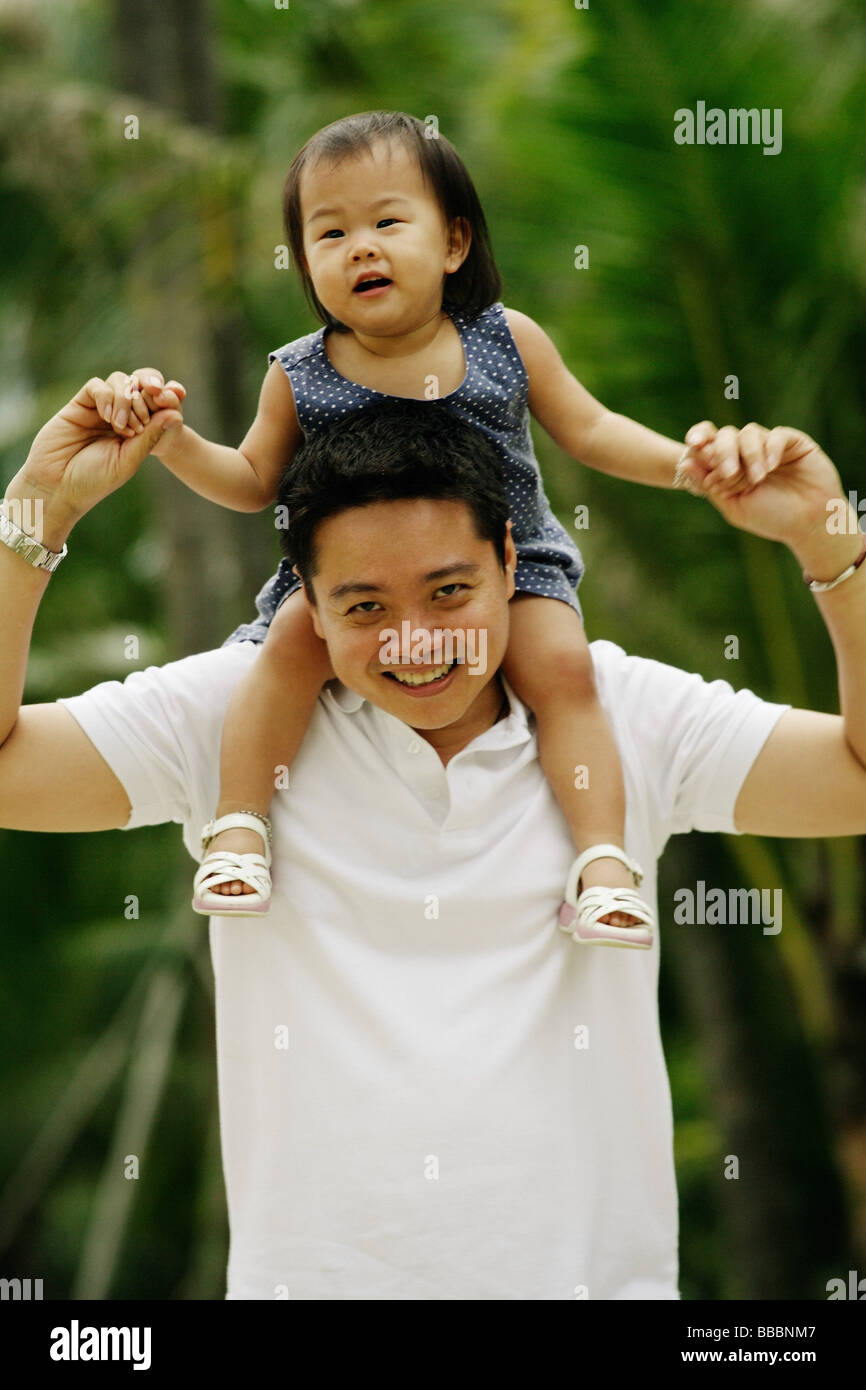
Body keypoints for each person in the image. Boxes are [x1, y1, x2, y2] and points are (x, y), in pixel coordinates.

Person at [0, 382, 863, 1300]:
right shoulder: (230, 715)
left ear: (507, 560)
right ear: (309, 602)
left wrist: (832, 548)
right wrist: (36, 516)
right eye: (364, 607)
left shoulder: (625, 718)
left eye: (450, 592)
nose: (417, 643)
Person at [95, 109, 780, 944]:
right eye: (330, 232)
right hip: (350, 590)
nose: (362, 247)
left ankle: (603, 862)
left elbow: (592, 431)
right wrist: (173, 442)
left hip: (509, 566)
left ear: (453, 242)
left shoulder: (503, 339)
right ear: (304, 261)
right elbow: (249, 483)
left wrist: (689, 463)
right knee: (282, 654)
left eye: (387, 222)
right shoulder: (298, 371)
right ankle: (238, 828)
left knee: (563, 674)